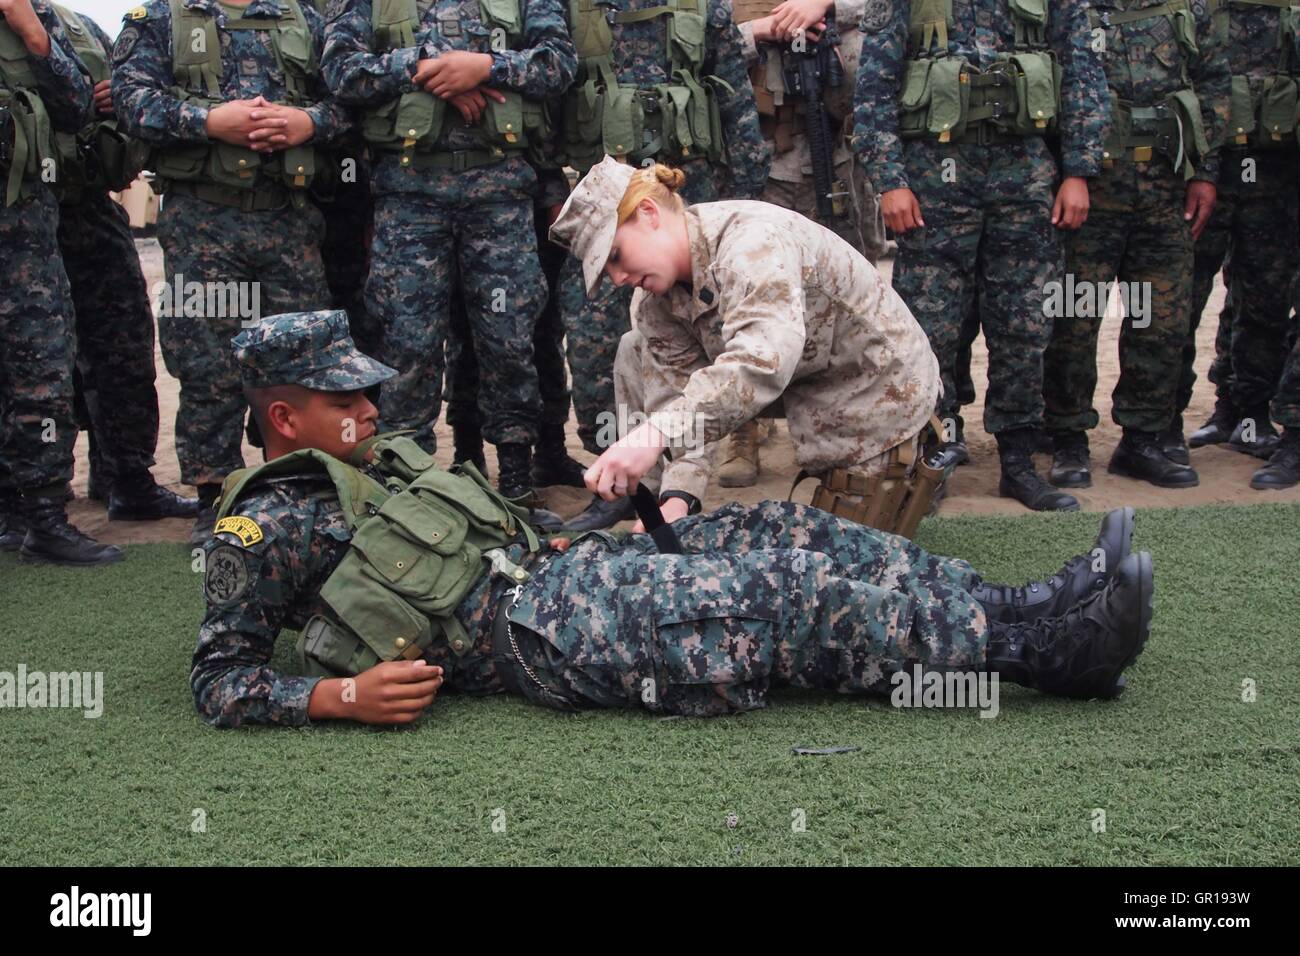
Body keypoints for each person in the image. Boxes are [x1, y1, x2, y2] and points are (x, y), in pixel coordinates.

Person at [191, 309, 1154, 728]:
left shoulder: (382, 458)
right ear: (285, 419)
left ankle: (1027, 605)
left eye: (362, 394)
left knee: (783, 531)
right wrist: (334, 698)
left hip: (558, 565)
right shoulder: (262, 530)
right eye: (340, 400)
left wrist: (596, 525)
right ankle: (1046, 655)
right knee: (777, 597)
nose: (365, 409)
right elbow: (220, 680)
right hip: (533, 636)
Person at [550, 156, 942, 536]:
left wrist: (654, 434)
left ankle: (909, 464)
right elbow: (678, 396)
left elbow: (761, 363)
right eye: (606, 271)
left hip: (875, 394)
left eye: (615, 256)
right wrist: (678, 495)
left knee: (844, 571)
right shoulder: (659, 304)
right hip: (806, 380)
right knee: (635, 348)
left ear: (649, 214)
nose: (617, 278)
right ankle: (652, 491)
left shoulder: (750, 246)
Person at [853, 0, 1109, 512]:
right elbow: (874, 90)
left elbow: (1082, 74)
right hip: (933, 183)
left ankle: (1017, 461)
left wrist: (1079, 171)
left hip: (1027, 178)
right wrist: (890, 182)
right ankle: (935, 454)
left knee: (1024, 327)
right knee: (930, 328)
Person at [112, 0, 349, 546]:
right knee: (209, 365)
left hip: (289, 222)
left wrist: (306, 121)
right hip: (203, 222)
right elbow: (130, 101)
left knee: (303, 364)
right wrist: (210, 121)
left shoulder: (304, 18)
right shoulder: (161, 19)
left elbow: (348, 102)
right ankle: (214, 497)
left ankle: (301, 489)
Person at [321, 0, 576, 506]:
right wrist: (426, 68)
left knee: (508, 339)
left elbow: (559, 63)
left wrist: (486, 66)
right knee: (408, 342)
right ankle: (409, 485)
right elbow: (339, 70)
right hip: (408, 193)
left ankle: (517, 483)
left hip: (500, 190)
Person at [554, 0, 772, 531]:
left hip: (685, 193)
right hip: (608, 209)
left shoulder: (704, 9)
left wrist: (738, 206)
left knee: (719, 343)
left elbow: (737, 105)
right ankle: (618, 481)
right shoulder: (573, 11)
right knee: (598, 350)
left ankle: (695, 472)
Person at [1041, 0, 1229, 490]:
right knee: (1074, 318)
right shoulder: (1066, 7)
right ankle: (1066, 436)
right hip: (1089, 192)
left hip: (1165, 188)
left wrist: (1206, 172)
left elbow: (1213, 85)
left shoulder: (1188, 8)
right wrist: (1065, 175)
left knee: (1158, 319)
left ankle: (1142, 439)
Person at [720, 0, 886, 489]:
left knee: (840, 304)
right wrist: (762, 30)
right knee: (744, 303)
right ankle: (743, 431)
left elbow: (889, 15)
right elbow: (700, 46)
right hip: (757, 164)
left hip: (835, 164)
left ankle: (837, 433)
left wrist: (828, 5)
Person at [50, 3, 198, 522]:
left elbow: (124, 99)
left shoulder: (77, 26)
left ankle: (126, 478)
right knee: (33, 361)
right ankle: (28, 497)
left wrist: (114, 103)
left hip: (88, 206)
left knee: (123, 346)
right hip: (17, 212)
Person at [0, 0, 122, 565]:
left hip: (22, 225)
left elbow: (77, 110)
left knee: (41, 372)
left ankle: (44, 514)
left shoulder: (34, 18)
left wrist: (31, 32)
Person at [1174, 0, 1299, 460]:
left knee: (1264, 305)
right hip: (1206, 172)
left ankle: (1247, 413)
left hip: (1276, 175)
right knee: (1180, 306)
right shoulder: (1197, 10)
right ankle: (1165, 424)